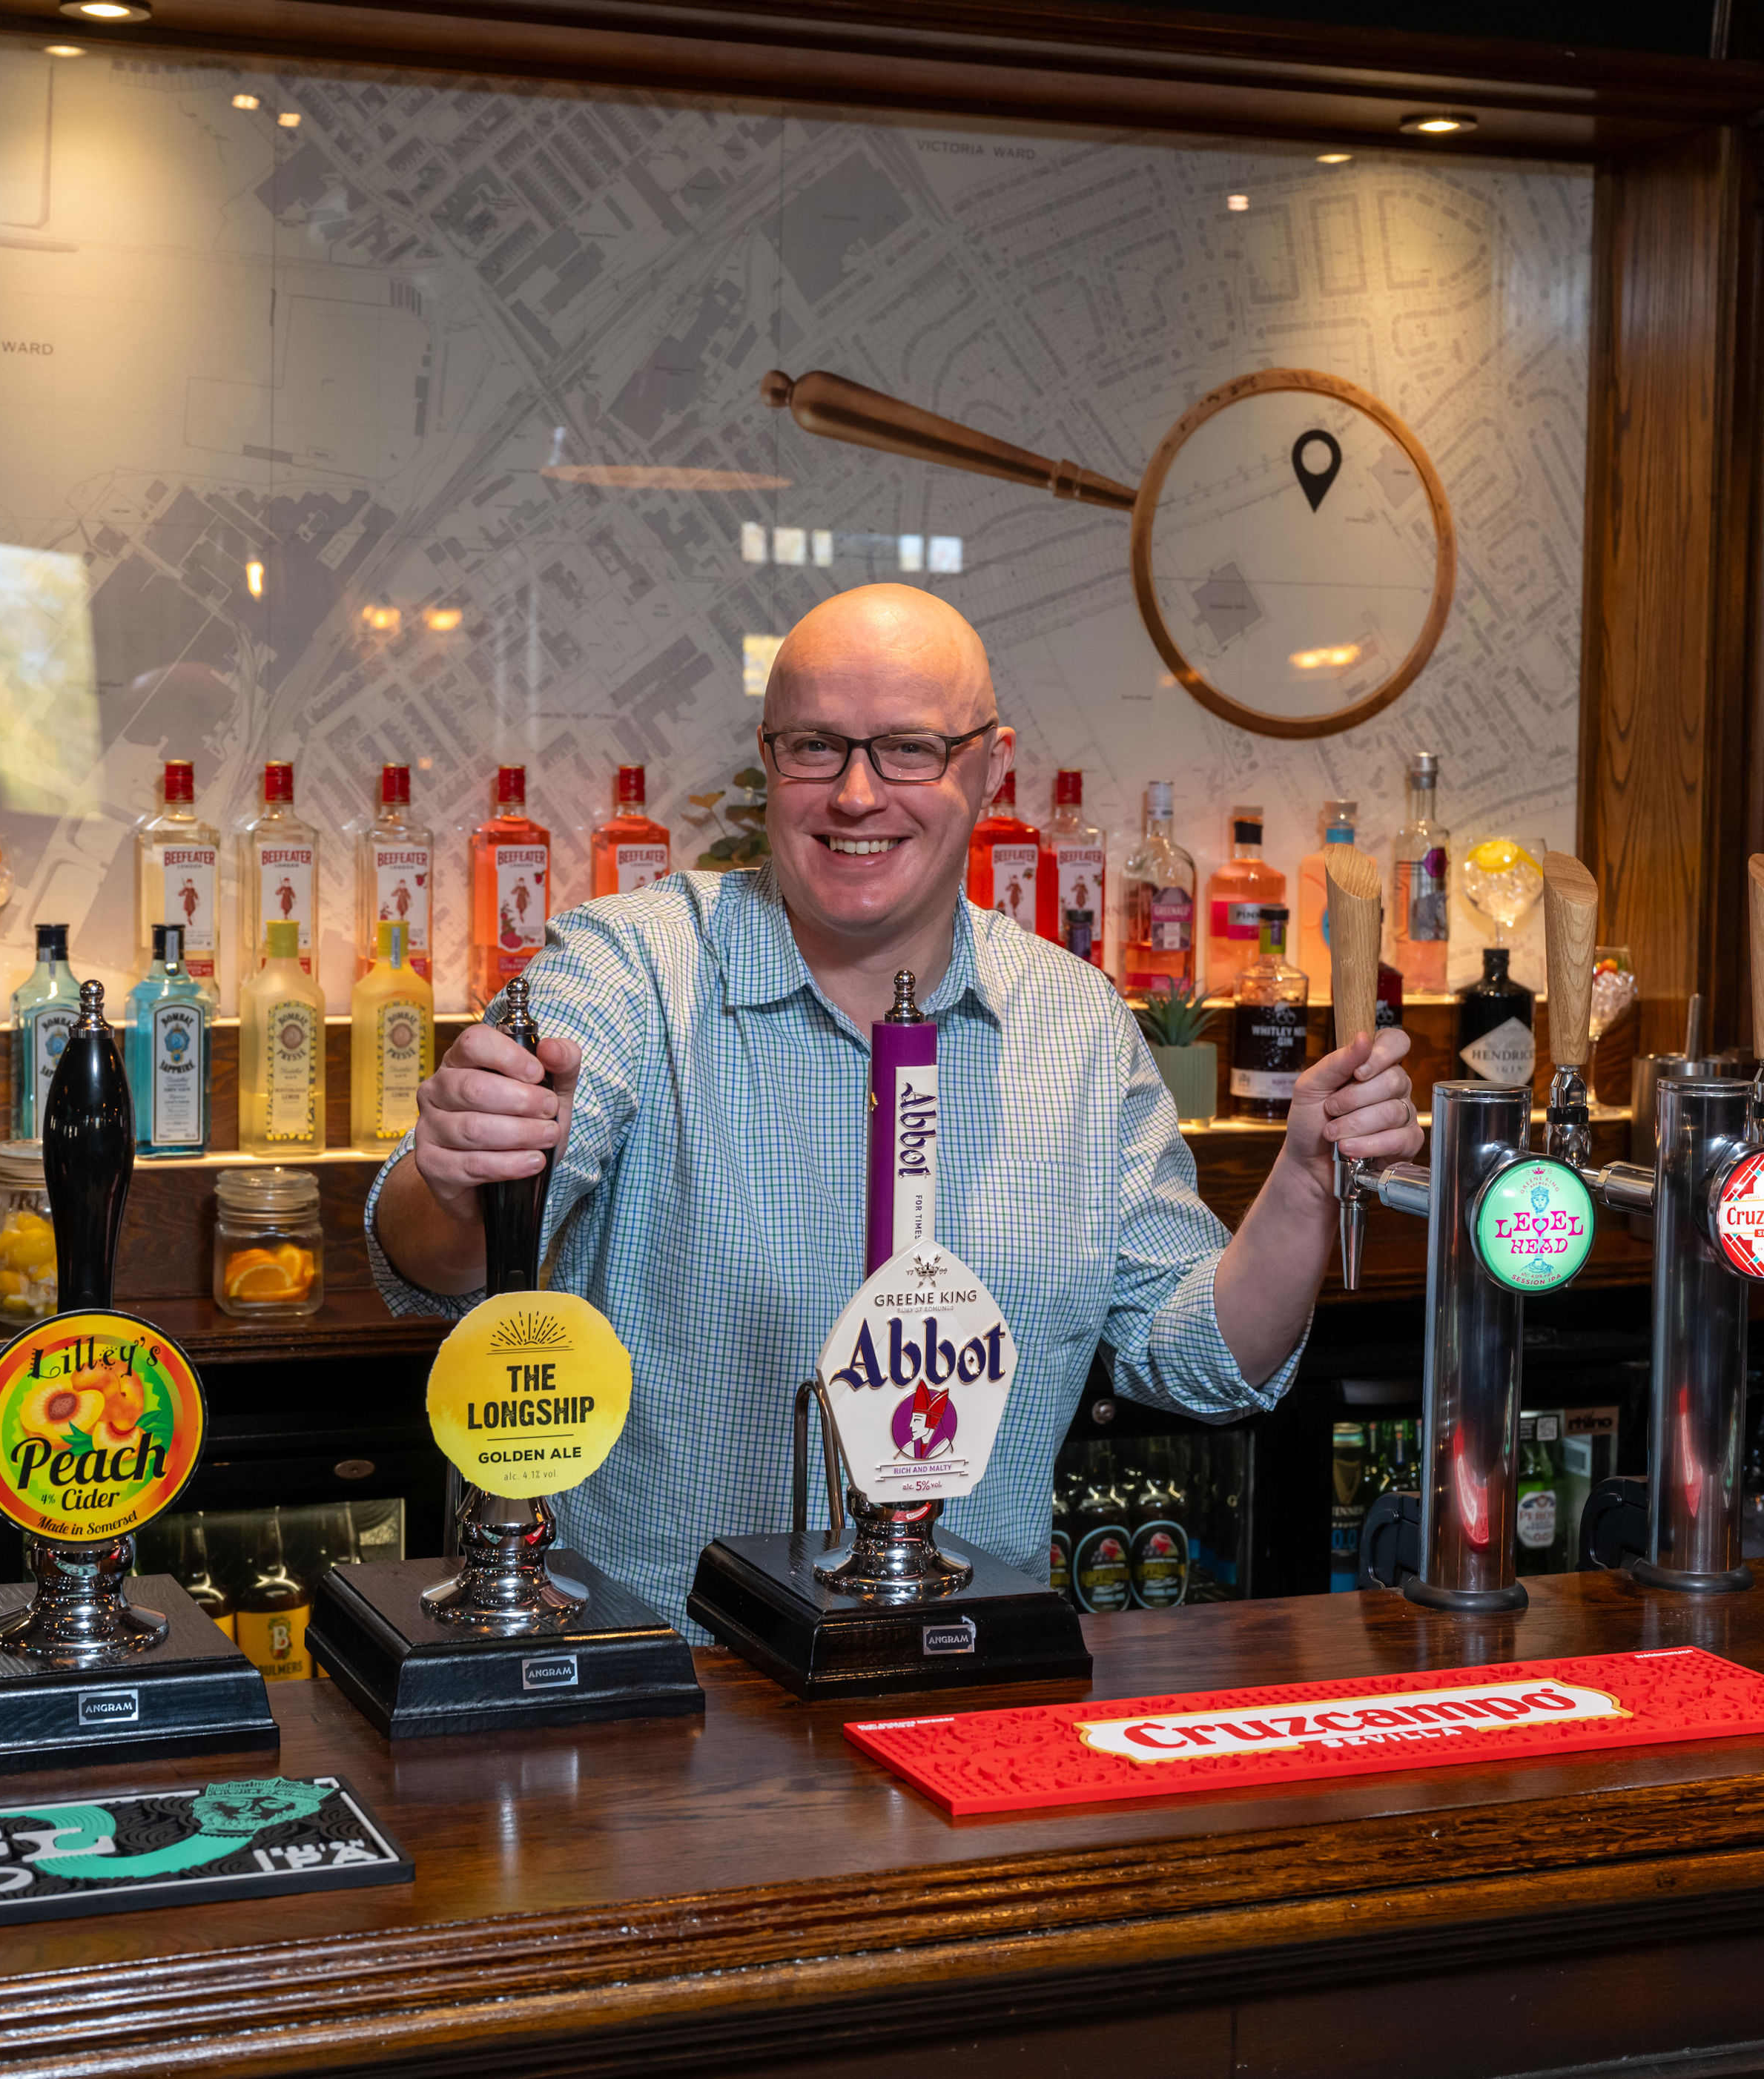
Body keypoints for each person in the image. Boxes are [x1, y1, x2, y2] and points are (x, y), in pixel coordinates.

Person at [367, 584, 1420, 1626]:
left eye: (910, 748)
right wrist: (463, 1172)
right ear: (768, 759)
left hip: (961, 1673)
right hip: (675, 1691)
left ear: (990, 767)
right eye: (814, 746)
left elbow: (1201, 1368)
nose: (857, 796)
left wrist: (1303, 1184)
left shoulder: (1076, 1025)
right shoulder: (629, 968)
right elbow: (446, 1268)